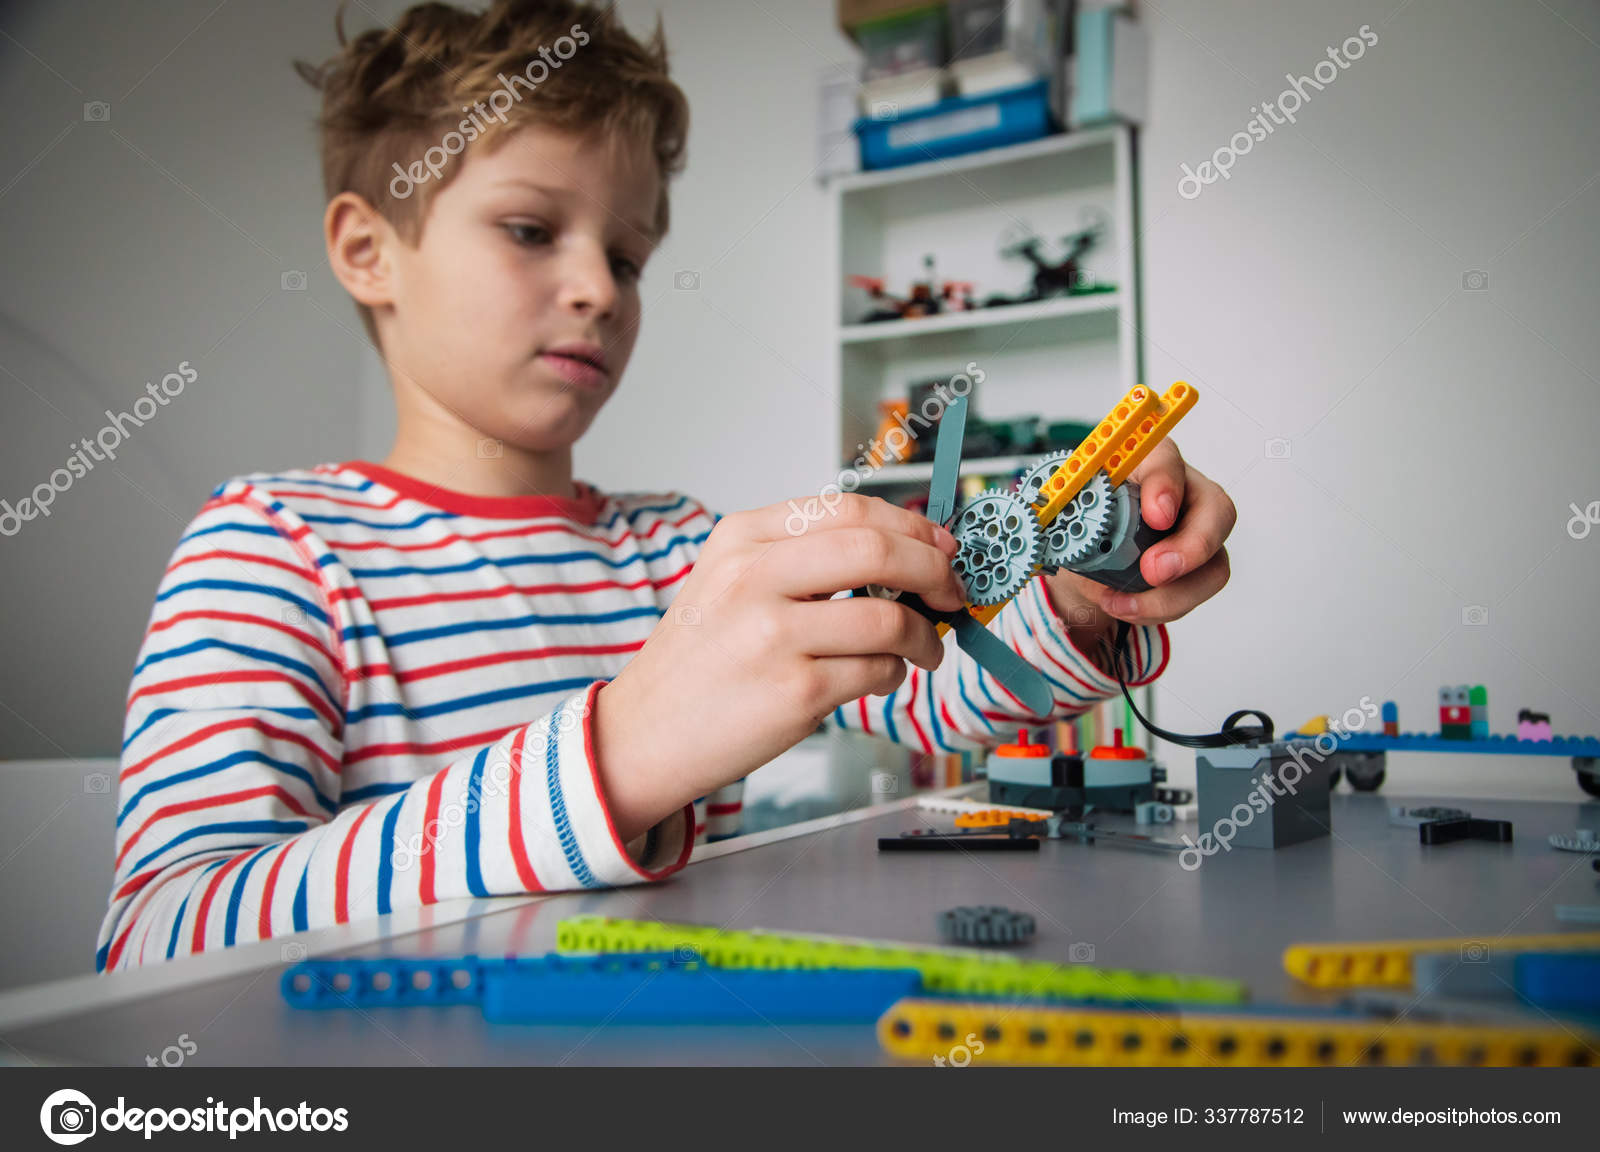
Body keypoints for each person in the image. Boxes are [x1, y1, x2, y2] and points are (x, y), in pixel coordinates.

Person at [97, 0, 1235, 971]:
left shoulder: (678, 548)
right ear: (366, 250)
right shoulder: (274, 550)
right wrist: (617, 756)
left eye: (628, 257)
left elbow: (929, 687)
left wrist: (1084, 584)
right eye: (531, 229)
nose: (599, 289)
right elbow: (163, 935)